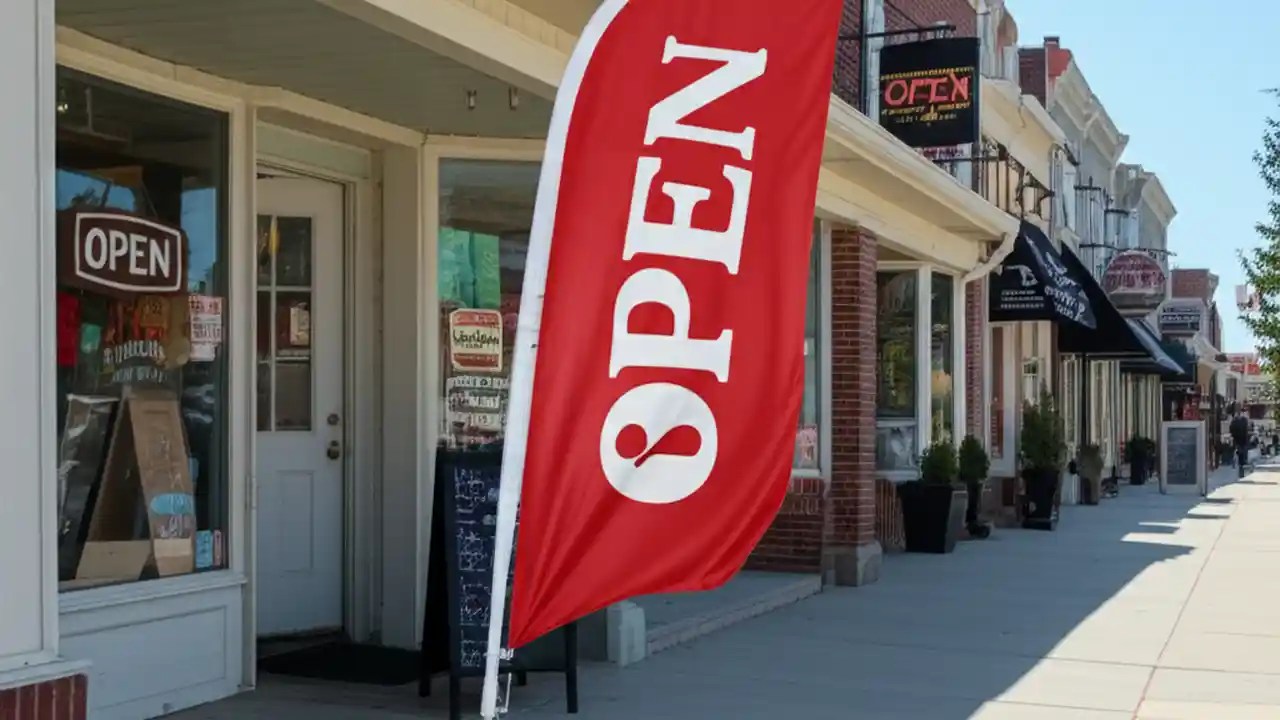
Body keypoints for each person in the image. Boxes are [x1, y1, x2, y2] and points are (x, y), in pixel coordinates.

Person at [1230, 412, 1251, 478]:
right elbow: (1246, 431)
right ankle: (1241, 472)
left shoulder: (1234, 422)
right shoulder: (1244, 421)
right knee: (1242, 458)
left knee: (1237, 455)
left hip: (1236, 441)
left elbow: (1231, 430)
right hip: (1243, 442)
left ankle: (1238, 469)